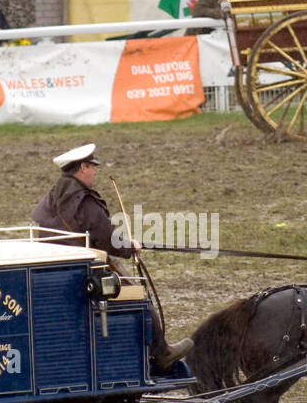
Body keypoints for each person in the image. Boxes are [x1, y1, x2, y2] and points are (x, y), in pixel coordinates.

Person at [31, 143, 192, 373]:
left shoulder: (53, 198)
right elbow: (107, 239)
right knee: (138, 296)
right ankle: (161, 352)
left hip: (57, 271)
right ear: (82, 168)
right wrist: (130, 247)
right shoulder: (83, 201)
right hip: (84, 270)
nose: (95, 172)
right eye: (92, 167)